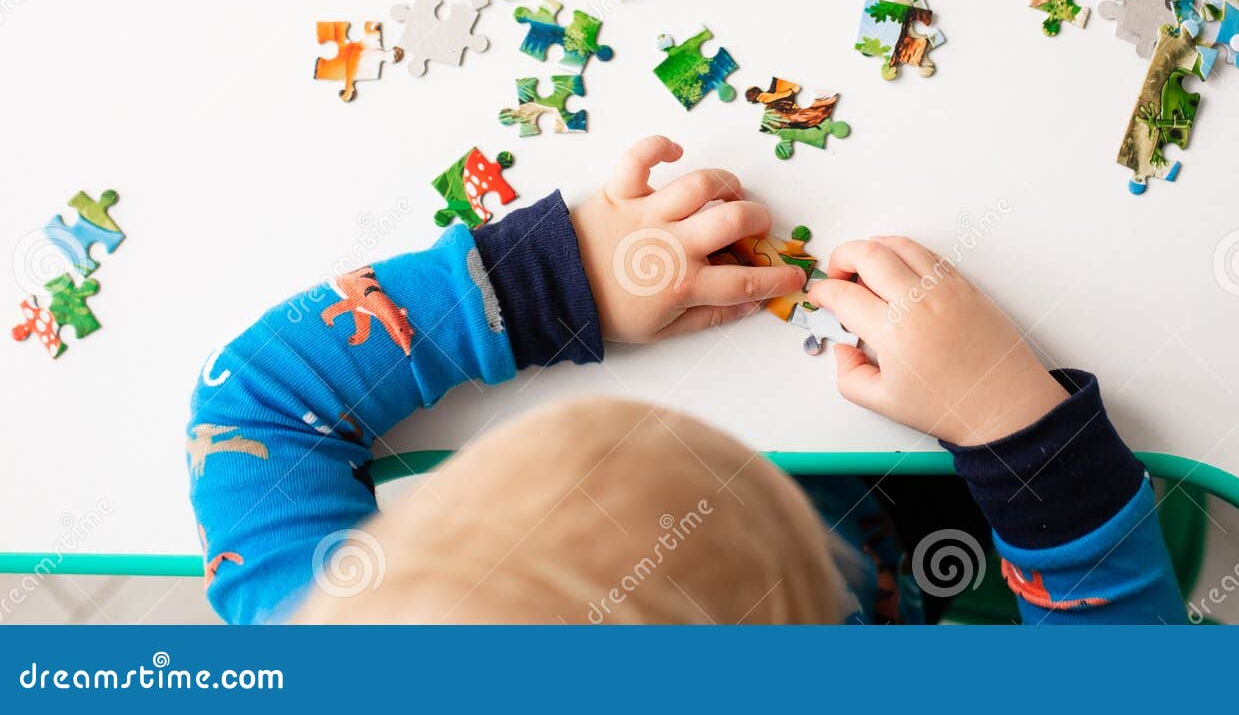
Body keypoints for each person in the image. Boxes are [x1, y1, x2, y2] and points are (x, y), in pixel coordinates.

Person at [187, 137, 1184, 624]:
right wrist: (1022, 435)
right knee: (1174, 497)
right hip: (966, 569)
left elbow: (258, 406)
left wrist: (552, 279)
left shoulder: (319, 645)